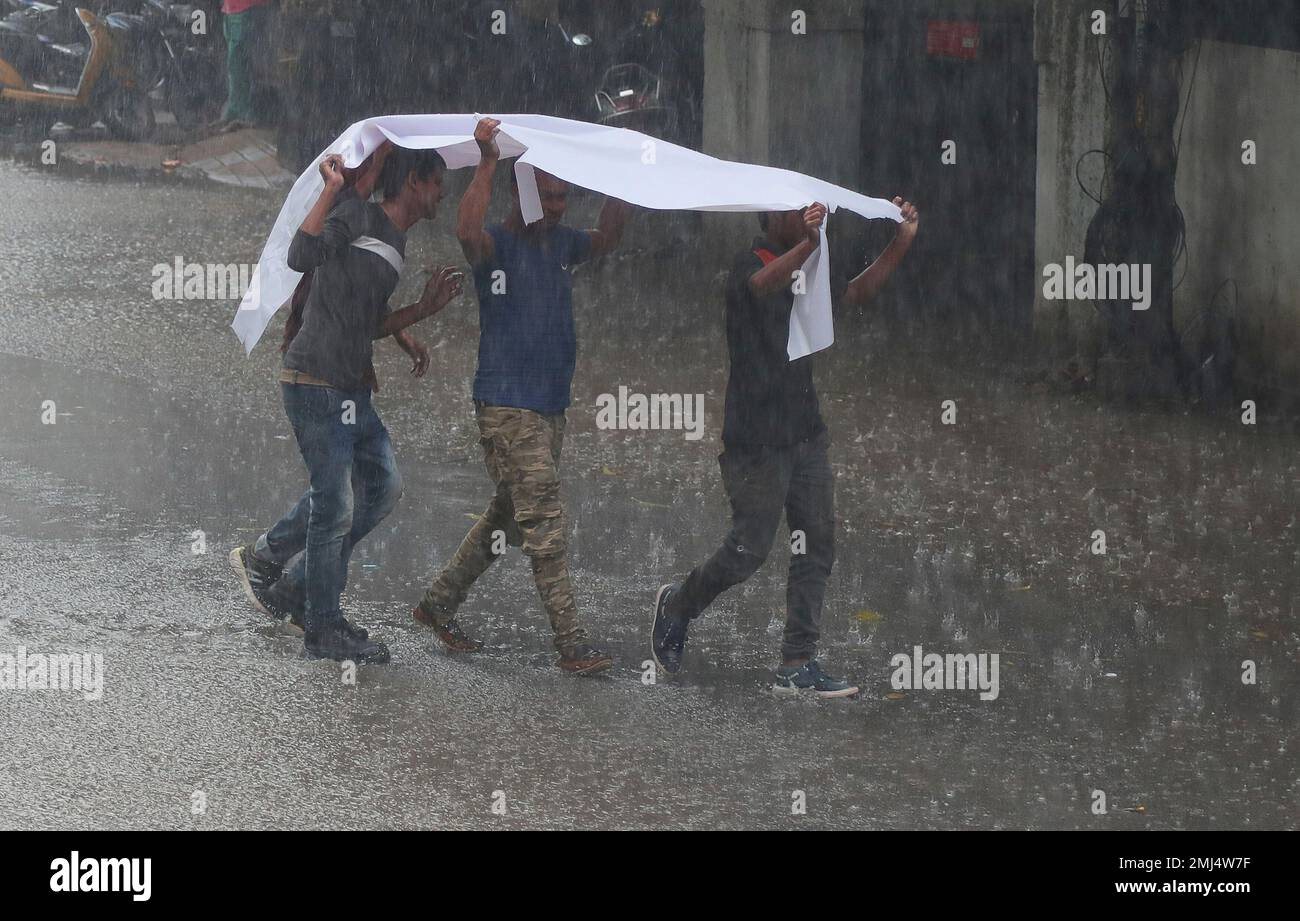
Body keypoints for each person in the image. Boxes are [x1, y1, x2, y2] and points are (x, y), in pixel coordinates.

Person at [651, 196, 920, 697]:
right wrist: (808, 244)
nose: (807, 218)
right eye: (797, 212)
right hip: (756, 440)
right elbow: (762, 284)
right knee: (748, 550)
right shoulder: (746, 264)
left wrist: (899, 241)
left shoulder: (809, 262)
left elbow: (856, 294)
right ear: (773, 218)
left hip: (805, 432)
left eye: (811, 213)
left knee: (816, 542)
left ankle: (797, 663)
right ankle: (677, 605)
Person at [411, 117, 630, 675]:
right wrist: (487, 161)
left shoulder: (562, 245)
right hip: (508, 406)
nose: (558, 207)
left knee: (508, 519)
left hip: (550, 406)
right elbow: (466, 232)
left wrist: (622, 181)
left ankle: (438, 604)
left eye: (565, 197)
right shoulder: (498, 248)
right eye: (549, 196)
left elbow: (605, 240)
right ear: (523, 190)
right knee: (545, 523)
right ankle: (571, 643)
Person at [230, 145, 464, 663]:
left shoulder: (397, 241)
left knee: (382, 488)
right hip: (314, 379)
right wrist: (333, 189)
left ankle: (292, 586)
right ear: (414, 183)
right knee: (333, 504)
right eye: (437, 182)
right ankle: (321, 627)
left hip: (351, 388)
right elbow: (301, 255)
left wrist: (419, 315)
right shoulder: (358, 212)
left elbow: (369, 317)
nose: (442, 194)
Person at [212, 0, 275, 132]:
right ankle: (236, 110)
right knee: (236, 66)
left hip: (244, 10)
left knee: (238, 65)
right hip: (233, 10)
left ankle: (245, 113)